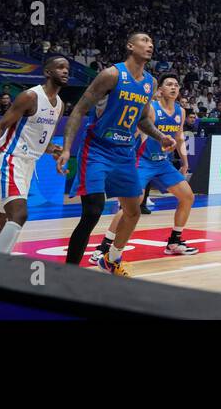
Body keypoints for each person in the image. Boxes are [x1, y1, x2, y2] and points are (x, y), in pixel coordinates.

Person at [55, 32, 175, 275]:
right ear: (130, 46)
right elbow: (78, 110)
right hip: (97, 149)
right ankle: (68, 273)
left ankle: (112, 259)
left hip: (125, 153)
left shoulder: (150, 83)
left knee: (134, 210)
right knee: (92, 211)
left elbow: (141, 119)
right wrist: (67, 148)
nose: (150, 45)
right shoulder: (111, 74)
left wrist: (160, 136)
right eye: (144, 41)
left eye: (152, 42)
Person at [90, 73, 197, 265]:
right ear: (160, 90)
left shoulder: (180, 111)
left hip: (163, 163)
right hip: (143, 162)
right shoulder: (152, 109)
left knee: (188, 196)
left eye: (176, 85)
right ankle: (104, 247)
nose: (174, 87)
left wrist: (185, 162)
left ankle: (174, 242)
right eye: (169, 84)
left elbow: (180, 137)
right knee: (133, 204)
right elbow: (136, 131)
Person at [0, 56, 67, 254]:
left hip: (28, 164)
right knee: (19, 215)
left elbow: (40, 139)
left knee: (1, 222)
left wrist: (53, 150)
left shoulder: (59, 105)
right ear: (47, 73)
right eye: (60, 67)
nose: (65, 71)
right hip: (10, 159)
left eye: (67, 68)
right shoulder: (30, 97)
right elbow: (1, 125)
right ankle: (1, 268)